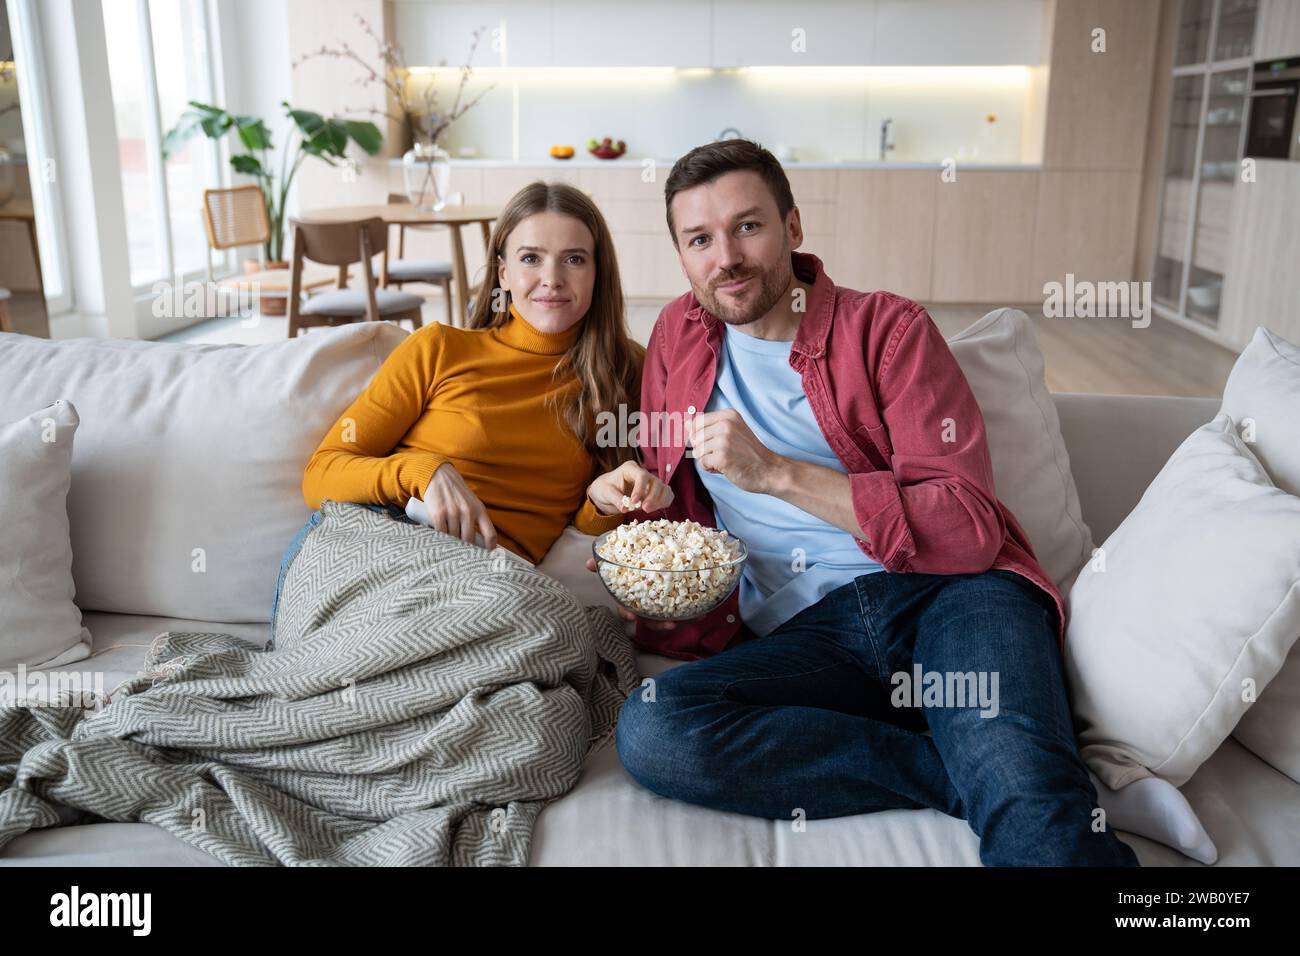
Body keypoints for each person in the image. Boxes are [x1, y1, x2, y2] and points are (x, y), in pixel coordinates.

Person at [605, 139, 1141, 867]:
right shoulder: (676, 334)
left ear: (793, 228)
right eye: (700, 239)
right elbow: (675, 493)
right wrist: (636, 489)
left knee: (1025, 792)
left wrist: (779, 474)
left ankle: (1011, 780)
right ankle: (963, 774)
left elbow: (967, 525)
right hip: (809, 641)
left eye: (748, 226)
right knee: (655, 730)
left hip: (949, 600)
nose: (725, 256)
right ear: (681, 254)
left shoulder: (888, 331)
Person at [277, 180, 673, 625]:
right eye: (530, 258)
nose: (552, 279)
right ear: (502, 272)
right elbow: (320, 475)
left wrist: (602, 506)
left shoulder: (626, 369)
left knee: (544, 659)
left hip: (495, 586)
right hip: (379, 544)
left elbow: (605, 516)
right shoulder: (440, 348)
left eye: (574, 259)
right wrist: (422, 471)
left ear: (598, 271)